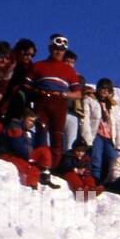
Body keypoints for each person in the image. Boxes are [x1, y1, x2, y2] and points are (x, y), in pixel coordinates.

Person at [25, 33, 81, 168]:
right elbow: (26, 85)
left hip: (60, 105)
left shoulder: (69, 70)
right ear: (50, 48)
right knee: (41, 134)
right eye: (56, 48)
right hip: (42, 102)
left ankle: (52, 168)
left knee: (57, 138)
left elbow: (78, 94)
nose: (59, 52)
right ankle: (39, 164)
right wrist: (38, 92)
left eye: (62, 49)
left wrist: (64, 95)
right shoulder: (38, 66)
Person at [0, 108, 57, 189]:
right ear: (23, 118)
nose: (32, 124)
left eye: (34, 122)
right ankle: (31, 188)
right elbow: (17, 146)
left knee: (45, 151)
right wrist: (28, 158)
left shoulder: (29, 132)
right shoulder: (15, 127)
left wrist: (41, 130)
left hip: (25, 155)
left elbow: (41, 145)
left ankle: (44, 175)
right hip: (10, 155)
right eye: (30, 120)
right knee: (30, 168)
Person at [80, 79, 120, 182]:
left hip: (110, 137)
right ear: (98, 88)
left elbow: (119, 125)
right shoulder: (90, 100)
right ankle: (95, 182)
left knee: (113, 161)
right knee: (96, 160)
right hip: (96, 135)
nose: (105, 91)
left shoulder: (113, 105)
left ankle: (108, 185)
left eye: (108, 89)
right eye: (103, 88)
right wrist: (87, 138)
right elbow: (85, 119)